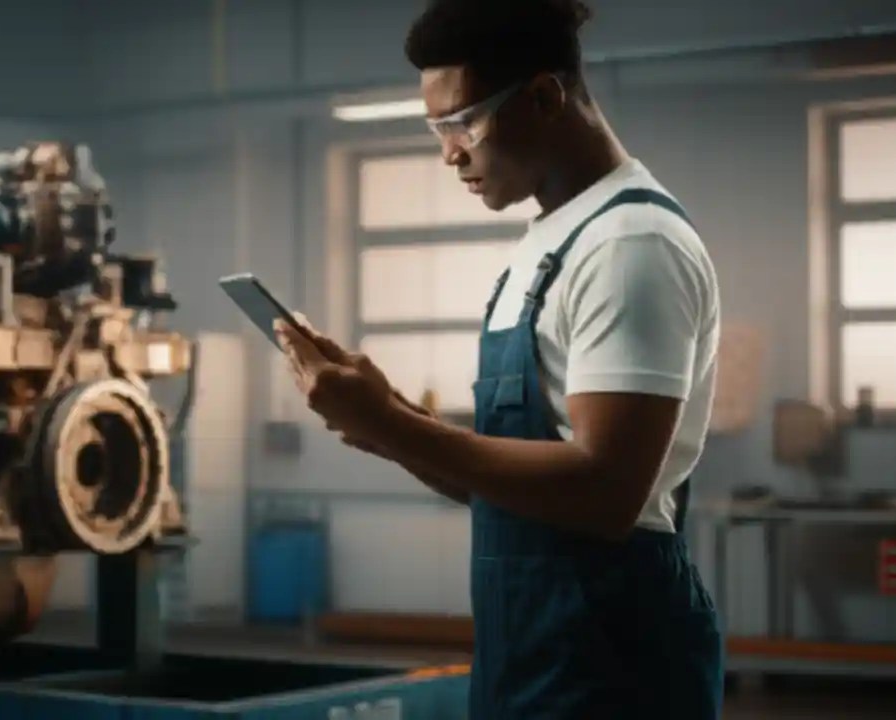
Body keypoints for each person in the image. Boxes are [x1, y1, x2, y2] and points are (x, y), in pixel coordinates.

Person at [276, 0, 724, 717]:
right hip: (529, 652)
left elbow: (606, 492)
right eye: (437, 129)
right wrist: (382, 419)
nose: (448, 153)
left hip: (612, 661)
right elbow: (508, 486)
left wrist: (395, 427)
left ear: (545, 97)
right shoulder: (547, 244)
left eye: (463, 123)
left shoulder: (632, 243)